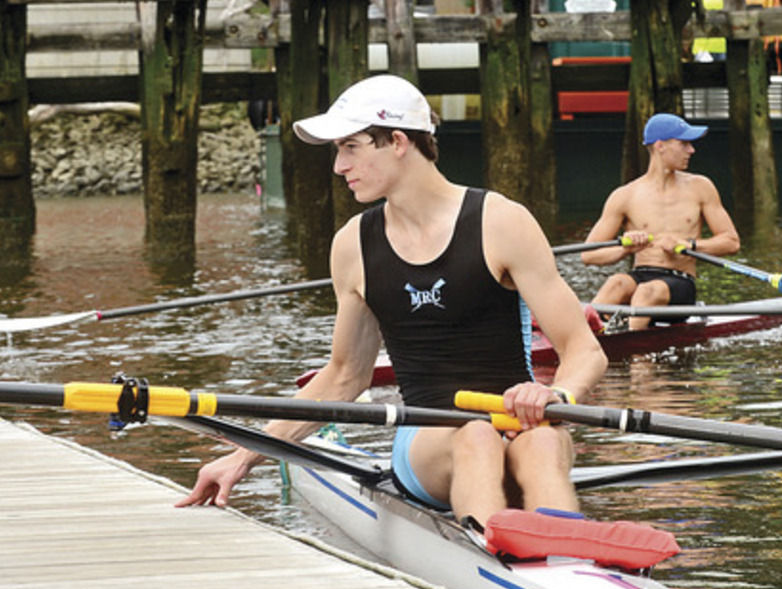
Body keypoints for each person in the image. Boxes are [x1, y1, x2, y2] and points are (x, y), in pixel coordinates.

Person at [175, 74, 608, 528]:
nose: (339, 166)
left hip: (521, 426)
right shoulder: (353, 246)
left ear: (398, 141)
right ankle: (500, 556)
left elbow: (583, 350)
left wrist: (554, 393)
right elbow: (345, 376)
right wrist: (245, 457)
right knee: (475, 435)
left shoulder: (502, 222)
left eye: (351, 148)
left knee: (541, 441)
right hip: (428, 442)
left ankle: (563, 558)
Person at [580, 113, 740, 330]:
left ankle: (635, 355)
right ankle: (585, 339)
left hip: (680, 283)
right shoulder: (625, 195)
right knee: (615, 283)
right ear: (660, 146)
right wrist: (626, 249)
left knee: (647, 292)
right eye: (683, 143)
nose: (691, 150)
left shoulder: (701, 187)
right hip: (641, 274)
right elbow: (589, 254)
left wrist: (689, 245)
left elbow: (731, 242)